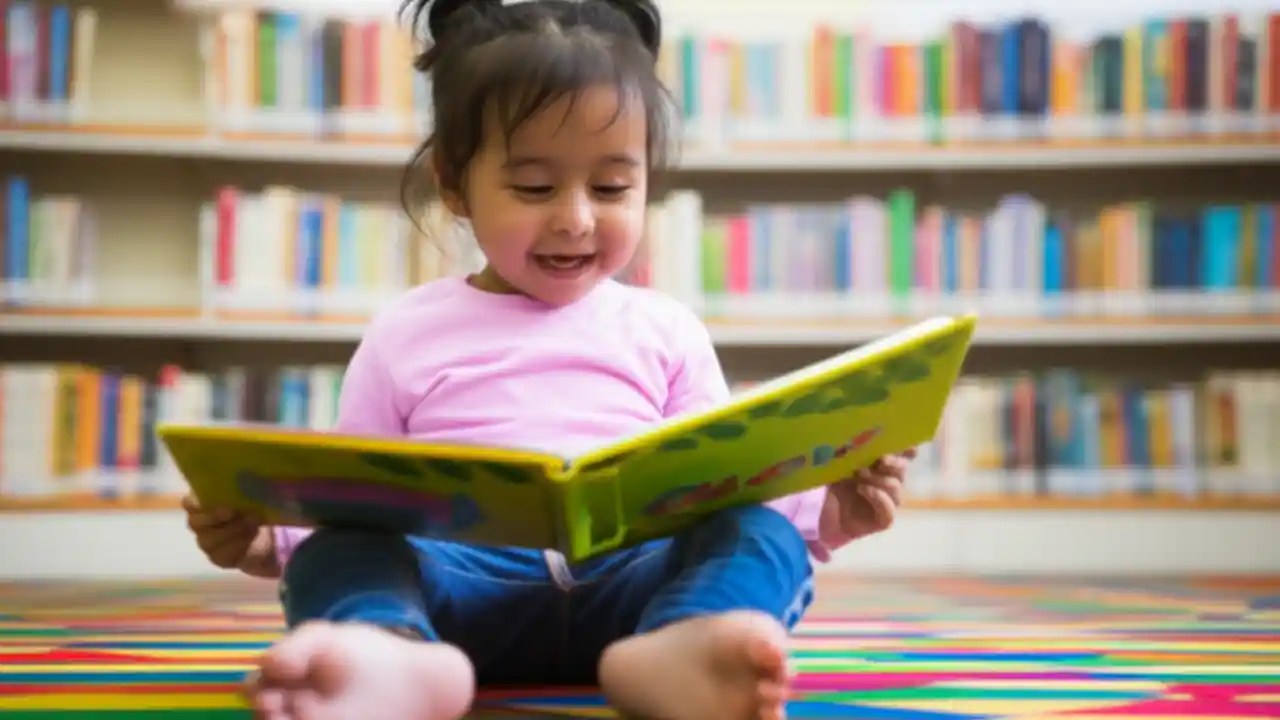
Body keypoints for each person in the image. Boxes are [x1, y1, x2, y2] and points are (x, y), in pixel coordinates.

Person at [181, 0, 916, 718]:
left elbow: (726, 489)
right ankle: (391, 655)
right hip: (457, 592)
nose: (575, 218)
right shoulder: (404, 333)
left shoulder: (666, 330)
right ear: (453, 183)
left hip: (637, 593)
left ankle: (686, 650)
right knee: (344, 551)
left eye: (612, 186)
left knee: (757, 534)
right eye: (534, 187)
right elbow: (344, 495)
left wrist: (837, 511)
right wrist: (258, 537)